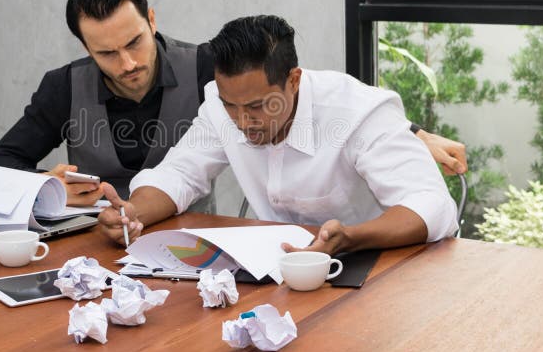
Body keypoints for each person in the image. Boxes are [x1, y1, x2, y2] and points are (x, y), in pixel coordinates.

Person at [0, 0, 466, 209]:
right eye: (107, 53)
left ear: (151, 20)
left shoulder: (205, 66)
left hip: (189, 243)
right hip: (97, 243)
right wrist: (46, 187)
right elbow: (0, 163)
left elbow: (306, 88)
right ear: (84, 47)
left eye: (134, 42)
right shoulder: (63, 87)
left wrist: (408, 133)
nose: (127, 63)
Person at [98, 15, 459, 254]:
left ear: (294, 80)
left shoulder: (356, 113)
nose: (242, 121)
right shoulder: (220, 107)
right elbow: (179, 174)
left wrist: (350, 238)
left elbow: (433, 205)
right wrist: (133, 212)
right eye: (230, 105)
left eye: (258, 106)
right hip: (281, 275)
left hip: (379, 267)